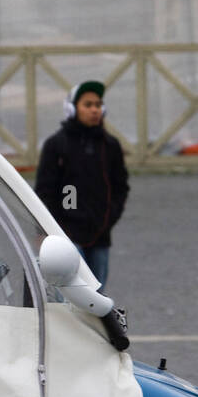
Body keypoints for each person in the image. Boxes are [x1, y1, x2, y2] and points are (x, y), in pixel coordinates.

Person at [33, 80, 129, 290]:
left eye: (98, 104)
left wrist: (110, 216)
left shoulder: (110, 146)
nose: (94, 110)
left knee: (97, 294)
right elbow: (45, 191)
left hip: (101, 234)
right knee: (73, 293)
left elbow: (120, 187)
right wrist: (44, 230)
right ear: (72, 108)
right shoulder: (56, 145)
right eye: (88, 105)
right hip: (67, 235)